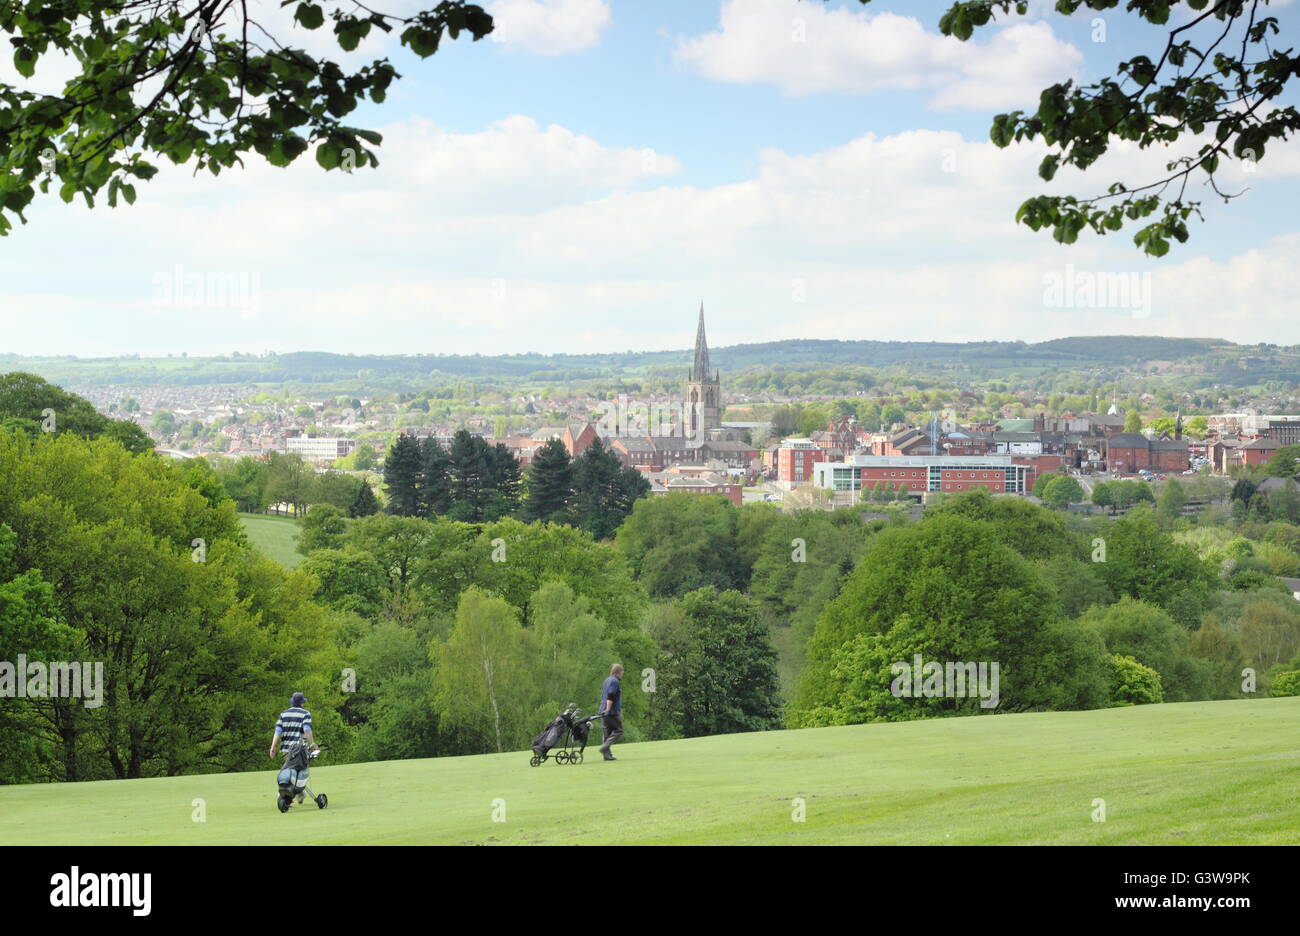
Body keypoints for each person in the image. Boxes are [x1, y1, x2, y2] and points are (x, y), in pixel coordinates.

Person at [269, 691, 316, 802]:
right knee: (301, 771)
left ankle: (298, 794)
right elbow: (307, 730)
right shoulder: (305, 714)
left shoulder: (283, 714)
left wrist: (273, 747)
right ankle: (287, 796)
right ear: (302, 703)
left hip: (286, 750)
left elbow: (278, 731)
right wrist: (312, 744)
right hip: (299, 749)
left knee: (290, 772)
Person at [598, 664, 624, 761]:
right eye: (622, 673)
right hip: (611, 711)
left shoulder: (607, 680)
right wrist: (608, 709)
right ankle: (604, 747)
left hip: (602, 710)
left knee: (607, 733)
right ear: (618, 672)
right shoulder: (614, 681)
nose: (622, 675)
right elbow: (611, 695)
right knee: (619, 730)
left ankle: (607, 755)